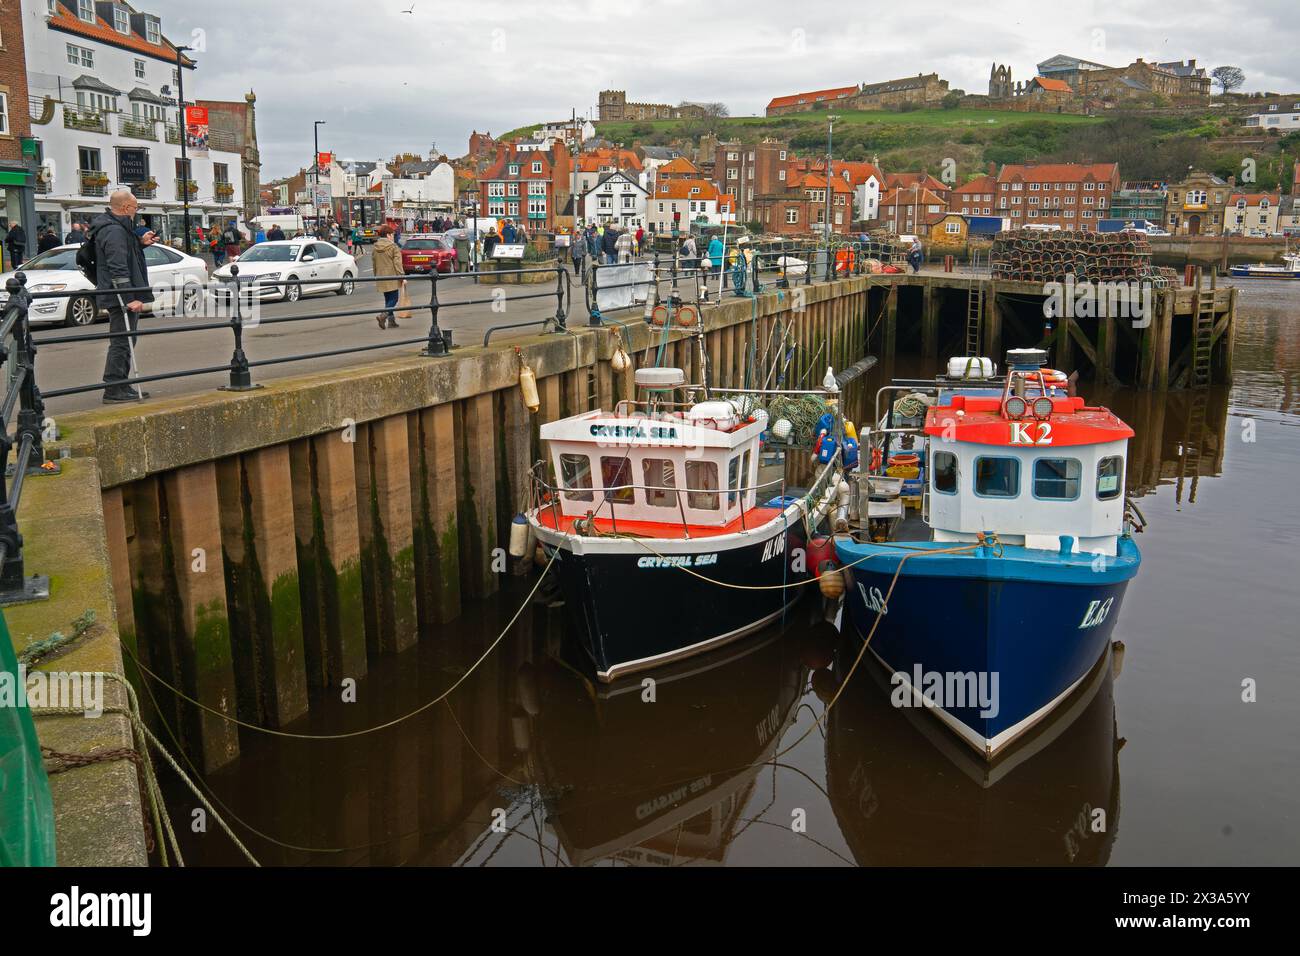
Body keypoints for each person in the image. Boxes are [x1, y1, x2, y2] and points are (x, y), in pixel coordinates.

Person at [91, 189, 155, 403]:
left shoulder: (117, 229)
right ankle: (114, 387)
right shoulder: (114, 231)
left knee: (126, 339)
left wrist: (139, 243)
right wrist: (129, 298)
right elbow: (117, 266)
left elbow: (122, 256)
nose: (137, 212)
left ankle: (121, 384)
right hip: (119, 296)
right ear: (127, 208)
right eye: (136, 208)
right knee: (121, 340)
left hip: (118, 292)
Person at [371, 224, 405, 329]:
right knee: (394, 299)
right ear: (388, 235)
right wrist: (402, 276)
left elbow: (374, 262)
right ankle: (383, 315)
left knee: (387, 298)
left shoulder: (375, 247)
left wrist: (376, 275)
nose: (393, 237)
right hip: (392, 275)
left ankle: (391, 321)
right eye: (392, 234)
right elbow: (397, 263)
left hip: (381, 275)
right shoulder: (393, 247)